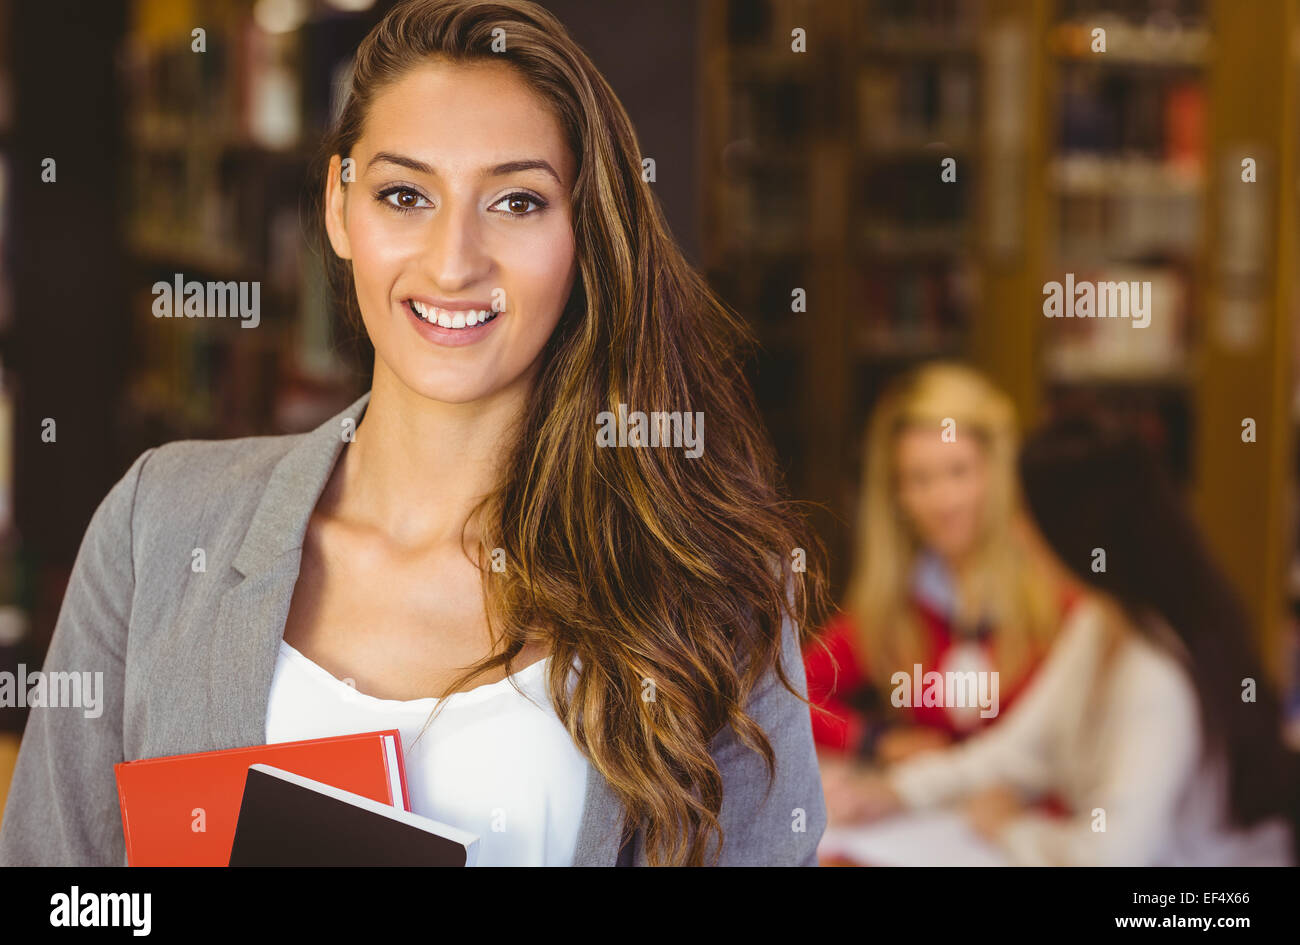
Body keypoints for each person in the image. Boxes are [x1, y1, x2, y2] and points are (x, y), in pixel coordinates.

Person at [0, 0, 832, 867]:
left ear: (584, 233)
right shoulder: (157, 527)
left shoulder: (709, 586)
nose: (452, 261)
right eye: (405, 194)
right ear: (338, 206)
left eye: (516, 201)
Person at [826, 416, 1300, 865]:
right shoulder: (1101, 622)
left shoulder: (1156, 674)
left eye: (1028, 516)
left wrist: (1009, 829)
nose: (1016, 531)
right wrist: (898, 790)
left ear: (1075, 533)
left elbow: (1111, 856)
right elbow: (1022, 748)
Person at [806, 363, 1072, 770]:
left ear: (996, 473)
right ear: (896, 495)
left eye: (959, 472)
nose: (942, 501)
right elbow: (792, 694)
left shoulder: (1058, 591)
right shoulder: (898, 601)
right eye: (918, 479)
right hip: (935, 823)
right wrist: (873, 741)